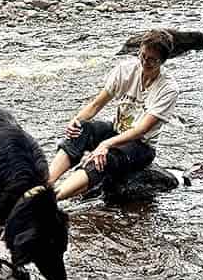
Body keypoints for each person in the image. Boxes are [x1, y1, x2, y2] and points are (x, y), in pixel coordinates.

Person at [48, 29, 179, 201]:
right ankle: (45, 184)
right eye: (143, 56)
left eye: (152, 60)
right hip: (116, 130)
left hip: (141, 145)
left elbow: (142, 129)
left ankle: (53, 198)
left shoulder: (168, 89)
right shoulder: (125, 70)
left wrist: (105, 144)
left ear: (162, 61)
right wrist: (76, 120)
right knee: (82, 129)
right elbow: (96, 104)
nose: (145, 62)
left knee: (105, 159)